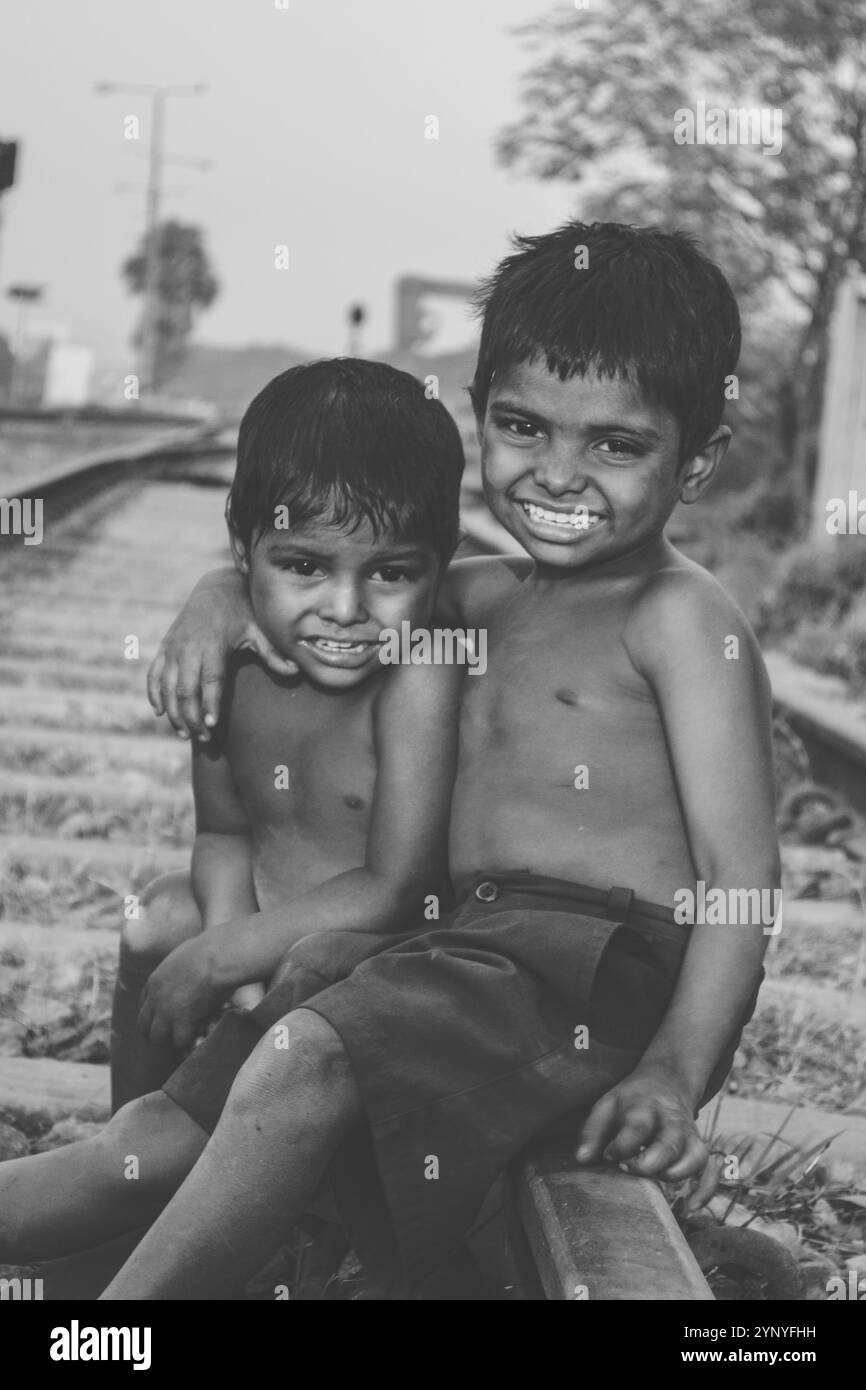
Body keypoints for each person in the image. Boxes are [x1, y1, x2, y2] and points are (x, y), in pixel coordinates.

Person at [0, 223, 778, 1301]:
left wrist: (673, 1070)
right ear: (477, 416)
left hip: (578, 959)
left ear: (696, 459)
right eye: (521, 427)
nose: (556, 474)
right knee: (166, 1130)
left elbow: (741, 881)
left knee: (303, 1058)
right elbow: (323, 563)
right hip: (444, 947)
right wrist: (216, 596)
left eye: (613, 445)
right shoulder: (469, 587)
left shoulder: (680, 619)